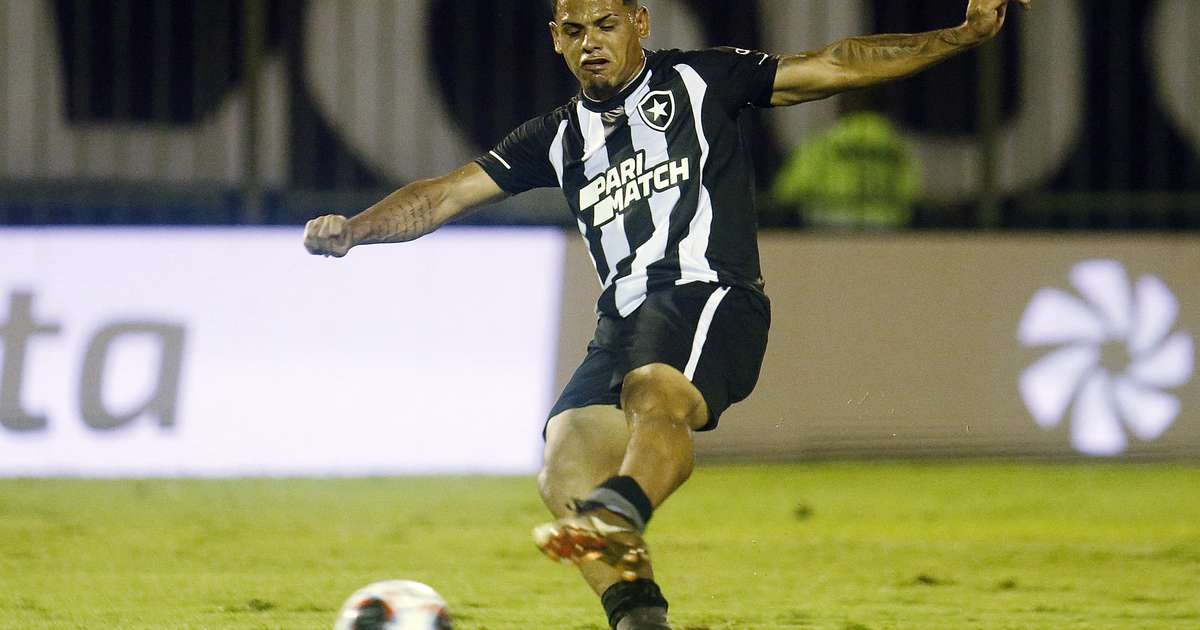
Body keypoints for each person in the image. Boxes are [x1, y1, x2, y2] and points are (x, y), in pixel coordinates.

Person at [303, 1, 1031, 627]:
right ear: (554, 39)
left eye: (607, 23)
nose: (591, 40)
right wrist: (356, 229)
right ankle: (639, 613)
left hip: (710, 293)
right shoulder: (556, 138)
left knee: (657, 392)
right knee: (564, 466)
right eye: (572, 29)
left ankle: (622, 509)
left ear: (639, 24)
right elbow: (443, 194)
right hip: (620, 323)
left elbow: (834, 65)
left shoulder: (700, 80)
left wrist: (958, 37)